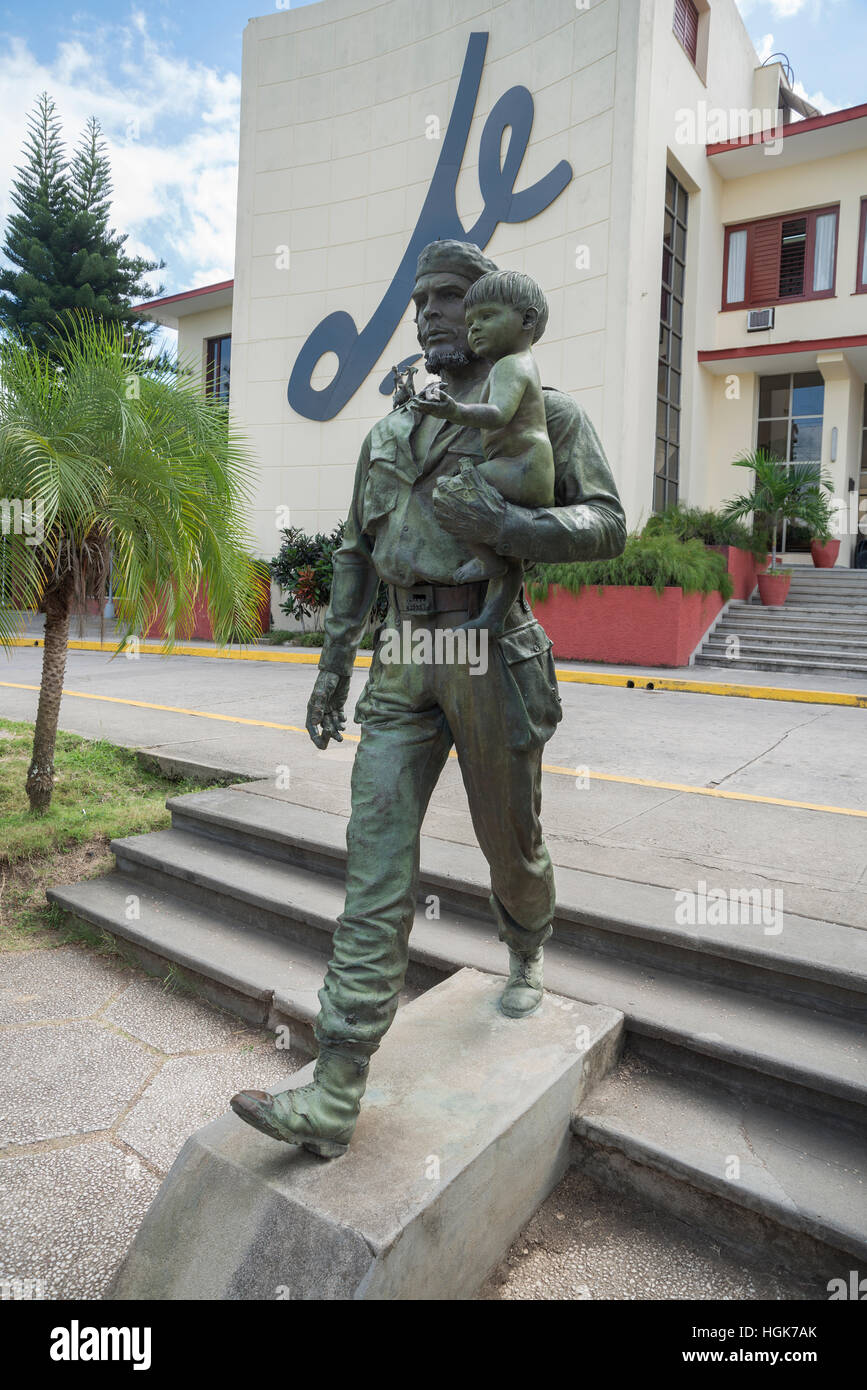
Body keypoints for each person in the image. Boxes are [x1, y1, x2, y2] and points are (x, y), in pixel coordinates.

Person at [230, 238, 626, 1158]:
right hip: (402, 654)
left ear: (489, 308)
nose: (428, 317)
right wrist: (331, 664)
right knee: (374, 862)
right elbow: (355, 555)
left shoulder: (545, 413)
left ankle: (526, 943)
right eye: (418, 304)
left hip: (490, 648)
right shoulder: (386, 431)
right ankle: (335, 1088)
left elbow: (606, 522)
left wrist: (511, 525)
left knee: (508, 843)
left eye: (448, 298)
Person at [414, 267, 555, 632]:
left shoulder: (512, 366)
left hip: (523, 465)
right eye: (471, 320)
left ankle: (487, 560)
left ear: (526, 320)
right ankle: (492, 611)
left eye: (487, 317)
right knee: (506, 557)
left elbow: (498, 414)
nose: (474, 327)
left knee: (452, 492)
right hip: (520, 465)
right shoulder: (511, 366)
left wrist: (455, 411)